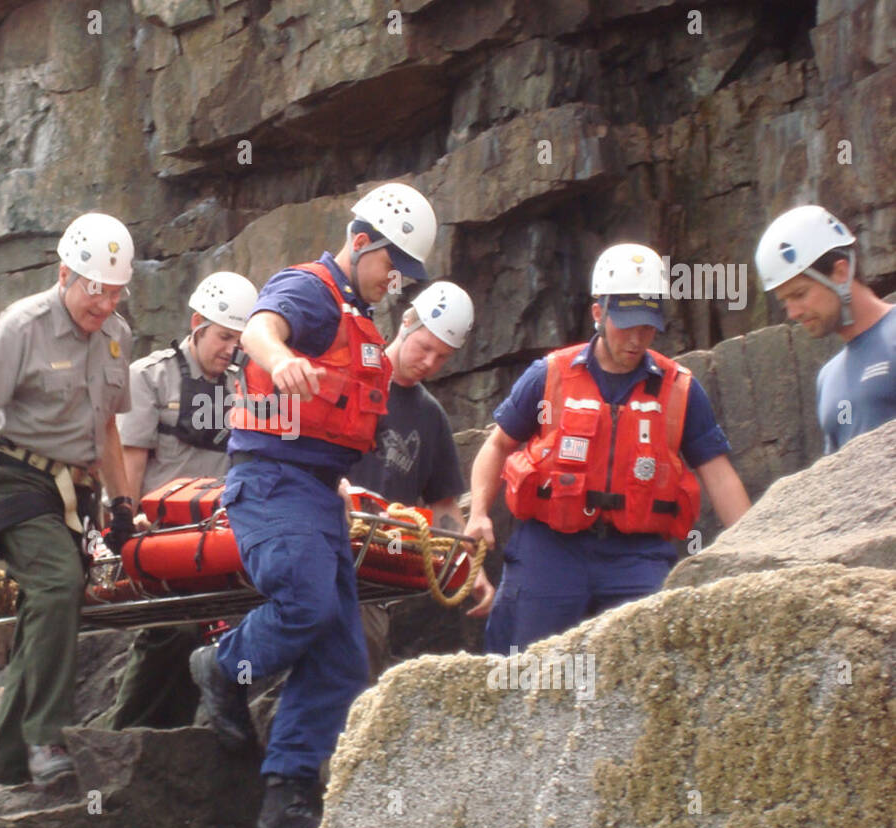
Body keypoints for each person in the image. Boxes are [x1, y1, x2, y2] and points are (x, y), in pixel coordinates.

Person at [188, 181, 438, 828]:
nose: (395, 283)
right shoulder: (309, 291)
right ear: (361, 245)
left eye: (405, 275)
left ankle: (287, 792)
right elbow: (264, 330)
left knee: (341, 652)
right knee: (304, 600)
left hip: (318, 491)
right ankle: (222, 664)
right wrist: (282, 360)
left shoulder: (361, 319)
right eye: (392, 267)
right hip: (270, 480)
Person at [0, 213, 136, 787]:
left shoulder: (118, 337)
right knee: (59, 583)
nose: (105, 304)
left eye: (115, 293)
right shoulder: (23, 326)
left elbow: (109, 426)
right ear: (65, 275)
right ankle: (45, 739)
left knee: (49, 607)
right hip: (10, 478)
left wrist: (122, 505)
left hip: (72, 489)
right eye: (95, 291)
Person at [465, 243, 752, 654]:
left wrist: (750, 549)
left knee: (654, 663)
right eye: (627, 324)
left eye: (648, 327)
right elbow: (496, 445)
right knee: (521, 664)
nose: (637, 339)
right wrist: (478, 514)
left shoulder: (679, 390)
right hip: (551, 545)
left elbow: (718, 473)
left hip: (637, 554)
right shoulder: (549, 376)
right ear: (598, 314)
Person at [101, 272, 258, 730]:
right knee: (173, 632)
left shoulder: (245, 388)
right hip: (160, 535)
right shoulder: (149, 379)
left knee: (228, 626)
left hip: (220, 537)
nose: (230, 349)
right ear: (197, 324)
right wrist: (122, 520)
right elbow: (128, 463)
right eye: (223, 337)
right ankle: (131, 734)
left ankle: (208, 730)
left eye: (239, 340)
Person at [345, 281, 495, 676]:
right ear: (406, 322)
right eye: (424, 348)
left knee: (364, 660)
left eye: (442, 357)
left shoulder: (430, 417)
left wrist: (471, 568)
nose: (429, 362)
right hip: (326, 542)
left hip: (376, 569)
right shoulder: (351, 376)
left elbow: (444, 504)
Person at [755, 204, 896, 453]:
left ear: (840, 272)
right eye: (785, 301)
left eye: (799, 294)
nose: (793, 312)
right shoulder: (828, 379)